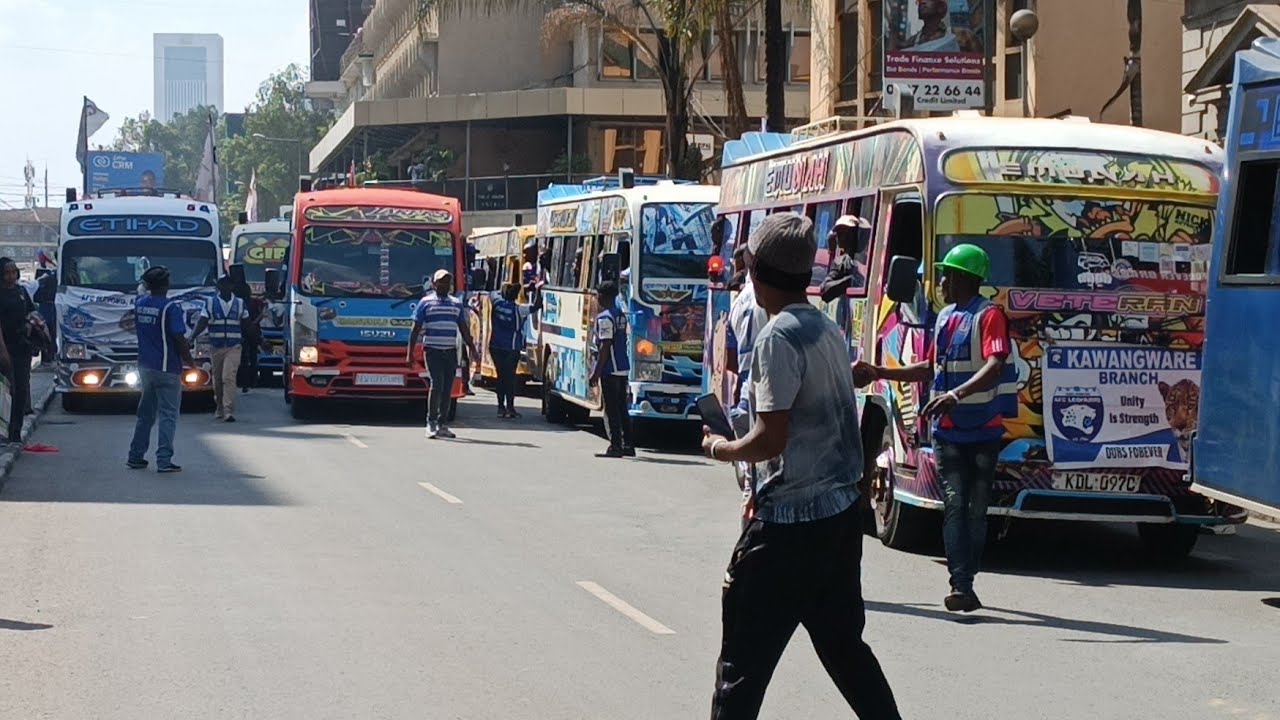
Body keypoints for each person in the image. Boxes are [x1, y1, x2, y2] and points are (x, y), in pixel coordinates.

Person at [701, 213, 901, 719]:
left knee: (740, 668)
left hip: (789, 526)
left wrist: (721, 447)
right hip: (839, 520)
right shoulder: (825, 327)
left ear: (757, 273)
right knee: (845, 650)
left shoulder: (777, 338)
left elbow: (770, 440)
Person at [853, 243, 1015, 613]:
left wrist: (955, 396)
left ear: (962, 278)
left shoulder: (989, 316)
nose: (940, 281)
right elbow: (930, 369)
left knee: (975, 510)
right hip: (948, 432)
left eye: (945, 274)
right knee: (956, 507)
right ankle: (962, 584)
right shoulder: (945, 318)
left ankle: (966, 580)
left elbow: (995, 364)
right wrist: (881, 372)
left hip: (983, 431)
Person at [128, 266, 196, 472]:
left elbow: (139, 294)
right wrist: (190, 361)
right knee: (168, 415)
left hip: (146, 367)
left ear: (148, 285)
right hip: (167, 368)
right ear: (167, 285)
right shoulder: (170, 308)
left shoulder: (140, 305)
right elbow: (178, 338)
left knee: (145, 414)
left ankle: (135, 456)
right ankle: (164, 460)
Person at [407, 269, 478, 439]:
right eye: (441, 281)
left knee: (447, 389)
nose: (444, 285)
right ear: (434, 283)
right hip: (432, 350)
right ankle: (430, 422)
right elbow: (415, 328)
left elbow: (463, 328)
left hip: (450, 351)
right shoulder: (425, 302)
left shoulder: (456, 304)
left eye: (447, 282)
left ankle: (442, 424)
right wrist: (409, 353)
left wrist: (473, 348)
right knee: (437, 385)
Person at [191, 276, 249, 422]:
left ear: (231, 286)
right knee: (217, 379)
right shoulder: (210, 303)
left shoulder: (240, 303)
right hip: (216, 346)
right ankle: (219, 407)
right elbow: (202, 322)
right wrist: (191, 337)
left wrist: (260, 341)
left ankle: (228, 411)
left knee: (228, 377)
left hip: (234, 346)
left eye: (227, 284)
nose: (224, 287)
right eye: (221, 285)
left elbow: (247, 325)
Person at [589, 280, 634, 458]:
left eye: (598, 295)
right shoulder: (620, 314)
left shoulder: (605, 318)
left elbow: (605, 346)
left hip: (611, 369)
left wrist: (596, 371)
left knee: (612, 409)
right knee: (622, 408)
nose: (597, 298)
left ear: (603, 296)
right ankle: (628, 444)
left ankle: (615, 446)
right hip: (622, 367)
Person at [489, 282, 541, 419]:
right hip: (511, 348)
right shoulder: (519, 309)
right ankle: (510, 407)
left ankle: (500, 407)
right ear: (516, 296)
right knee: (510, 378)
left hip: (495, 345)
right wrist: (538, 291)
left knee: (500, 377)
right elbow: (536, 306)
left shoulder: (497, 303)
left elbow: (494, 292)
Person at [0, 258, 36, 445]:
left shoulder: (21, 291)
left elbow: (30, 312)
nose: (11, 276)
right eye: (7, 272)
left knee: (21, 389)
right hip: (5, 347)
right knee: (6, 390)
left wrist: (33, 323)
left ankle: (15, 431)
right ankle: (3, 432)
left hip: (22, 346)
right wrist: (3, 350)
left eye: (14, 272)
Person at [820, 215, 871, 302]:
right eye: (838, 233)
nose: (839, 237)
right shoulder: (841, 263)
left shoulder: (870, 260)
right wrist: (850, 281)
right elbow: (825, 289)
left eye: (845, 233)